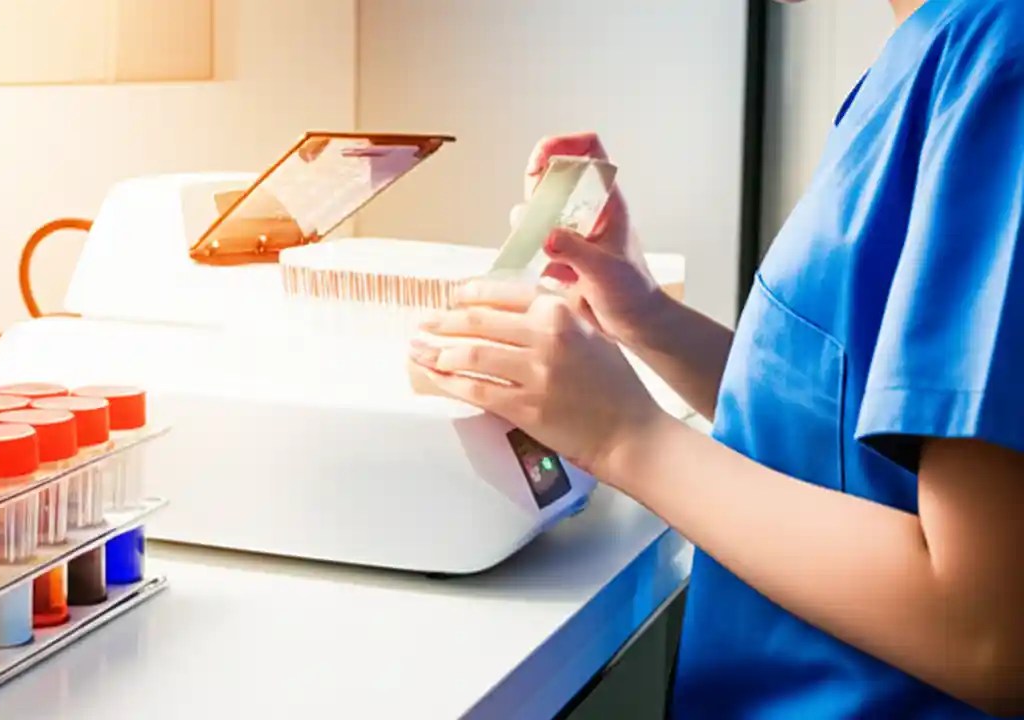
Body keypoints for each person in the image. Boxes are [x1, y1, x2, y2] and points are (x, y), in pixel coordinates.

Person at [408, 0, 1024, 716]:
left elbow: (985, 632)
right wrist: (645, 315)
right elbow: (838, 423)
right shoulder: (932, 45)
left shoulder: (999, 56)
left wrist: (625, 437)